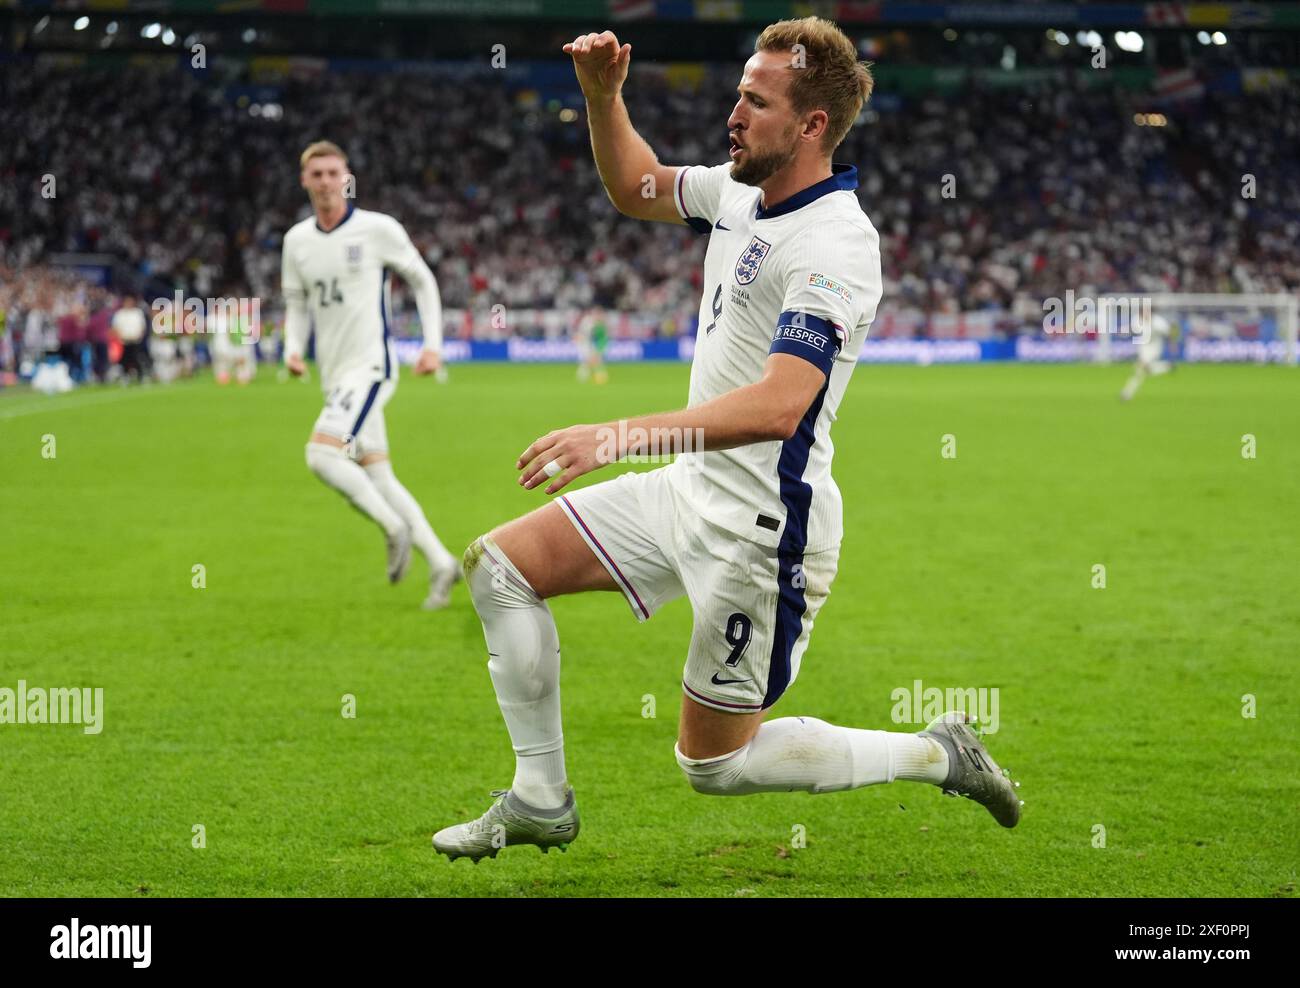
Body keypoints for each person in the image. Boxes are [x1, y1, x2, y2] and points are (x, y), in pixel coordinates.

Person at [434, 17, 1020, 862]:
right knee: (500, 570)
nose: (732, 113)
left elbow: (783, 404)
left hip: (761, 531)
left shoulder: (835, 245)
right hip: (686, 489)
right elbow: (636, 186)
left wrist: (619, 435)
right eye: (738, 93)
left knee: (713, 765)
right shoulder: (740, 192)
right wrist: (604, 99)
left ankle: (936, 754)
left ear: (812, 124)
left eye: (755, 99)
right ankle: (538, 798)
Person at [281, 140, 460, 610]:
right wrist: (293, 349)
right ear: (304, 181)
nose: (324, 181)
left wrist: (432, 345)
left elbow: (423, 279)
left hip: (371, 368)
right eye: (315, 173)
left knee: (321, 456)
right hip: (334, 375)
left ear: (347, 177)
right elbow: (297, 304)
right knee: (379, 475)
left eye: (332, 172)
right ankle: (441, 563)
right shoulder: (296, 241)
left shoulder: (377, 229)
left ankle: (393, 527)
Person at [111, 294, 148, 383]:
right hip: (124, 341)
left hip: (135, 340)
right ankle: (125, 377)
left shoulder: (137, 313)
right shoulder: (120, 314)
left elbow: (142, 326)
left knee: (137, 359)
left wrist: (139, 336)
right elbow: (115, 328)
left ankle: (141, 377)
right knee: (125, 360)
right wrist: (120, 338)